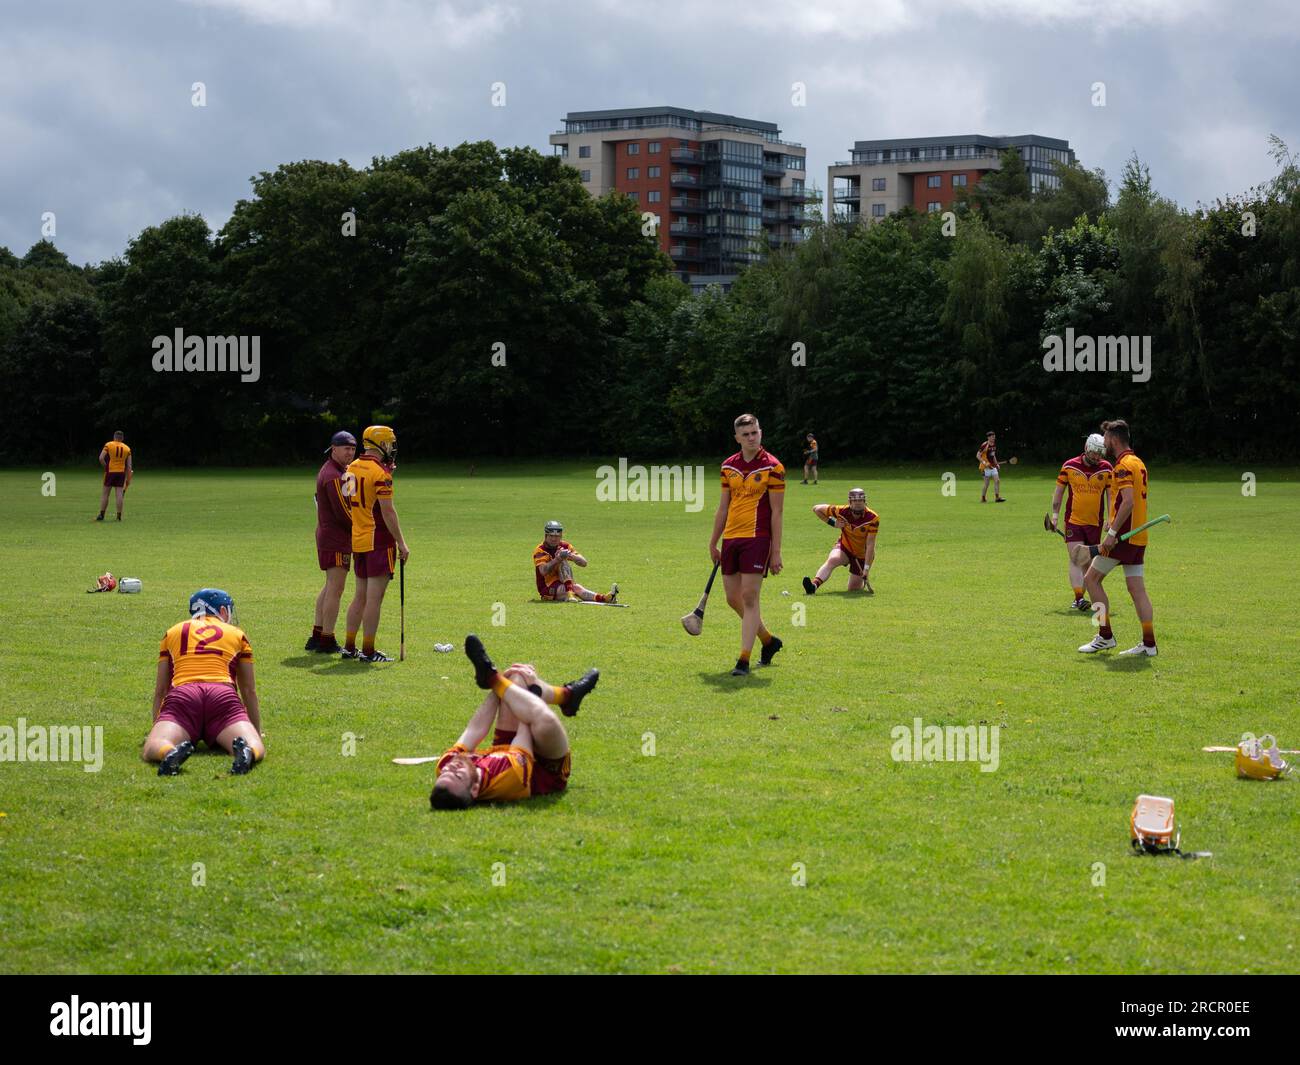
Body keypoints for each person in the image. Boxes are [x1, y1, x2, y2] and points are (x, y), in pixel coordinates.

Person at [430, 635, 599, 809]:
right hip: (545, 767)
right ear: (474, 789)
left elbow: (474, 729)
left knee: (517, 677)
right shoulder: (507, 778)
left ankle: (566, 696)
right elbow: (527, 723)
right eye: (458, 775)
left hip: (507, 749)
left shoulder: (446, 764)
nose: (453, 767)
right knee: (544, 720)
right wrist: (508, 685)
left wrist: (500, 687)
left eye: (446, 772)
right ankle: (565, 696)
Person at [142, 588, 265, 776]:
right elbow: (249, 690)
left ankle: (169, 752)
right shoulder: (236, 634)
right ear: (222, 611)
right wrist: (256, 731)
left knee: (153, 746)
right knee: (254, 744)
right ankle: (248, 752)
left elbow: (161, 689)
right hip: (222, 696)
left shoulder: (172, 632)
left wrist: (156, 727)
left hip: (184, 696)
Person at [708, 413, 785, 676]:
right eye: (746, 434)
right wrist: (713, 542)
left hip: (758, 539)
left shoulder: (773, 467)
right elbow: (723, 508)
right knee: (732, 598)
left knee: (750, 597)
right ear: (737, 438)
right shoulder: (728, 466)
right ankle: (768, 640)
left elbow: (777, 513)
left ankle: (744, 659)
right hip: (731, 538)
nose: (752, 438)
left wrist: (776, 552)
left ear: (760, 432)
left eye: (755, 432)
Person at [1075, 419, 1158, 657]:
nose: (1104, 444)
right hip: (1138, 536)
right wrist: (1111, 519)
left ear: (1113, 438)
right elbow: (1127, 501)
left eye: (1106, 439)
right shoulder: (1138, 462)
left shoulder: (1122, 465)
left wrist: (1111, 533)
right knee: (1137, 589)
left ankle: (1105, 636)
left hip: (1122, 538)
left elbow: (1129, 501)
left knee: (1091, 580)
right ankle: (1149, 644)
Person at [341, 426, 410, 662]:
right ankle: (368, 651)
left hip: (358, 539)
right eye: (390, 444)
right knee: (373, 599)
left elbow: (351, 499)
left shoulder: (351, 468)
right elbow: (388, 512)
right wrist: (402, 543)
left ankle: (349, 647)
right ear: (381, 444)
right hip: (379, 541)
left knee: (359, 596)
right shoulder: (381, 475)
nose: (392, 448)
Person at [1049, 433, 1111, 611]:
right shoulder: (1069, 466)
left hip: (1094, 523)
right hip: (1073, 521)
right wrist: (1055, 515)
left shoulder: (1106, 468)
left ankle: (1091, 594)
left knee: (1089, 563)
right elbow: (1059, 492)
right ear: (1086, 448)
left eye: (1100, 453)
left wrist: (1111, 517)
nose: (1097, 457)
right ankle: (1078, 598)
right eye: (1094, 453)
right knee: (1076, 558)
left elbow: (1111, 495)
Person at [307, 431, 357, 653]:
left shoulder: (343, 472)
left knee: (330, 586)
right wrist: (362, 528)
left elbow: (351, 501)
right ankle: (327, 640)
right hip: (336, 538)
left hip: (331, 535)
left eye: (353, 448)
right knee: (336, 589)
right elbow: (345, 512)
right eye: (346, 448)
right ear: (334, 449)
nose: (350, 452)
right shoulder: (334, 475)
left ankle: (317, 635)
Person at [803, 487, 879, 594]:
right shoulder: (841, 511)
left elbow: (871, 544)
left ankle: (860, 581)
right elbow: (816, 508)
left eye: (860, 500)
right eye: (855, 500)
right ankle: (813, 586)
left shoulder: (872, 518)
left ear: (865, 501)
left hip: (862, 554)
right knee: (833, 560)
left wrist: (866, 568)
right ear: (849, 502)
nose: (858, 503)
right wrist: (833, 523)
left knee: (853, 589)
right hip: (845, 547)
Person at [532, 520, 618, 603]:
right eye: (551, 536)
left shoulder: (565, 545)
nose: (554, 539)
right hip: (547, 588)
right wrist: (557, 559)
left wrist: (571, 556)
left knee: (577, 588)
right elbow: (543, 571)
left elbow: (584, 563)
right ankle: (570, 593)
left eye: (557, 536)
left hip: (562, 583)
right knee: (563, 562)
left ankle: (604, 598)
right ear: (546, 536)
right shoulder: (540, 550)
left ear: (561, 536)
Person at [96, 430, 133, 521]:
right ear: (122, 438)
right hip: (121, 473)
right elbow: (129, 466)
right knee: (119, 494)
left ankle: (101, 515)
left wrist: (106, 467)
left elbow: (101, 458)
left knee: (105, 494)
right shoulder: (127, 449)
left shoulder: (109, 445)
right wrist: (128, 478)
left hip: (110, 471)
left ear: (114, 437)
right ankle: (119, 516)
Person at [977, 431, 1005, 503]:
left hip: (992, 466)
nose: (994, 438)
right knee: (987, 483)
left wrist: (996, 464)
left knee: (997, 481)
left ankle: (997, 497)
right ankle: (983, 498)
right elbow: (978, 455)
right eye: (992, 437)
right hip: (984, 467)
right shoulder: (984, 445)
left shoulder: (994, 445)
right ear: (988, 437)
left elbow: (993, 455)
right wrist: (984, 463)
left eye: (994, 437)